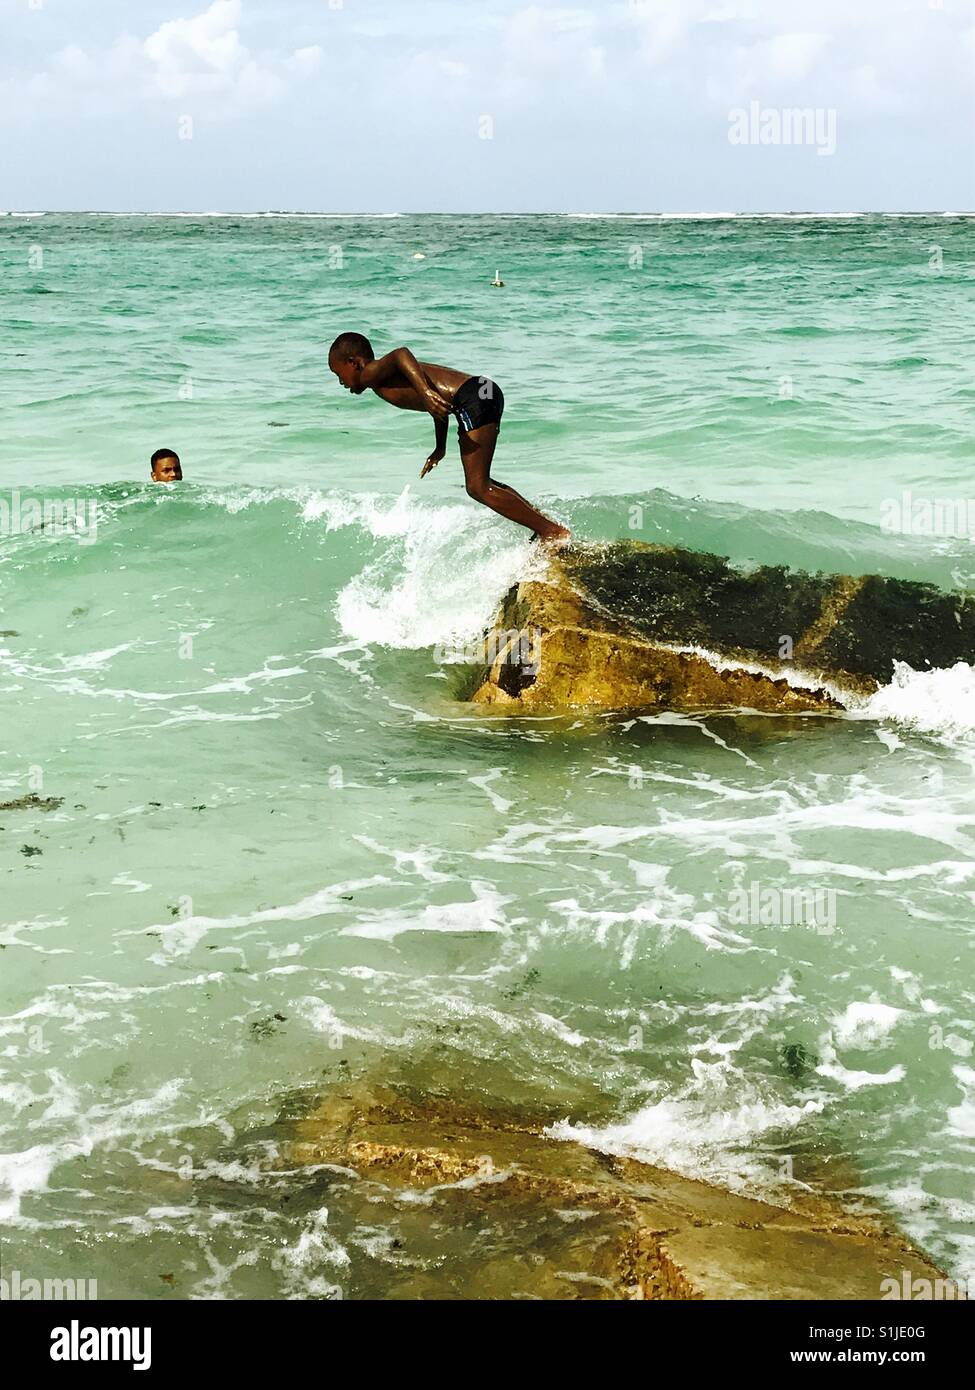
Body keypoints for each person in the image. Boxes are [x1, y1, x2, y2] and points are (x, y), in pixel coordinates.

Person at [327, 333, 570, 543]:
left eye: (339, 375)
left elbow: (401, 353)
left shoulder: (370, 374)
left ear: (354, 363)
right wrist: (440, 446)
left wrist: (424, 392)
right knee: (482, 482)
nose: (341, 383)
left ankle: (552, 532)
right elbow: (437, 405)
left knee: (477, 487)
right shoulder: (387, 379)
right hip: (484, 388)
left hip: (472, 396)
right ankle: (543, 524)